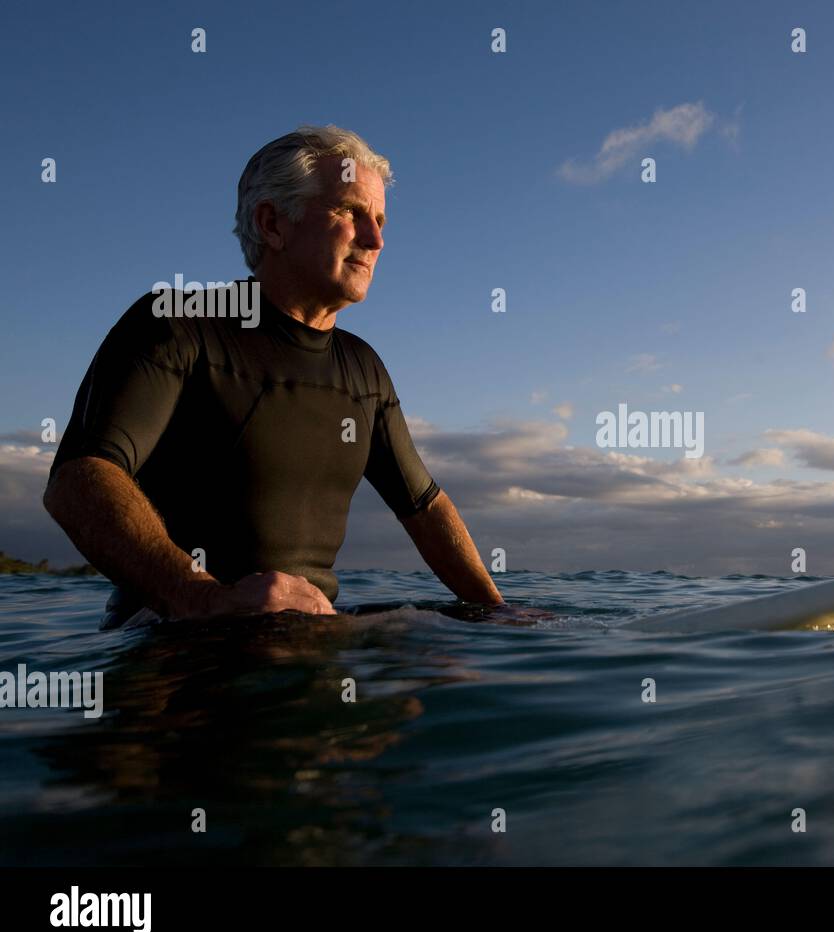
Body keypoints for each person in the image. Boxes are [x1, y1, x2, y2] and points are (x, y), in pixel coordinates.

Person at [43, 125, 504, 629]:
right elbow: (78, 480)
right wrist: (201, 599)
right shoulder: (179, 322)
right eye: (350, 213)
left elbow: (424, 506)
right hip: (177, 639)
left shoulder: (363, 367)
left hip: (313, 633)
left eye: (380, 220)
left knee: (449, 649)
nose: (376, 240)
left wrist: (500, 613)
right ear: (272, 224)